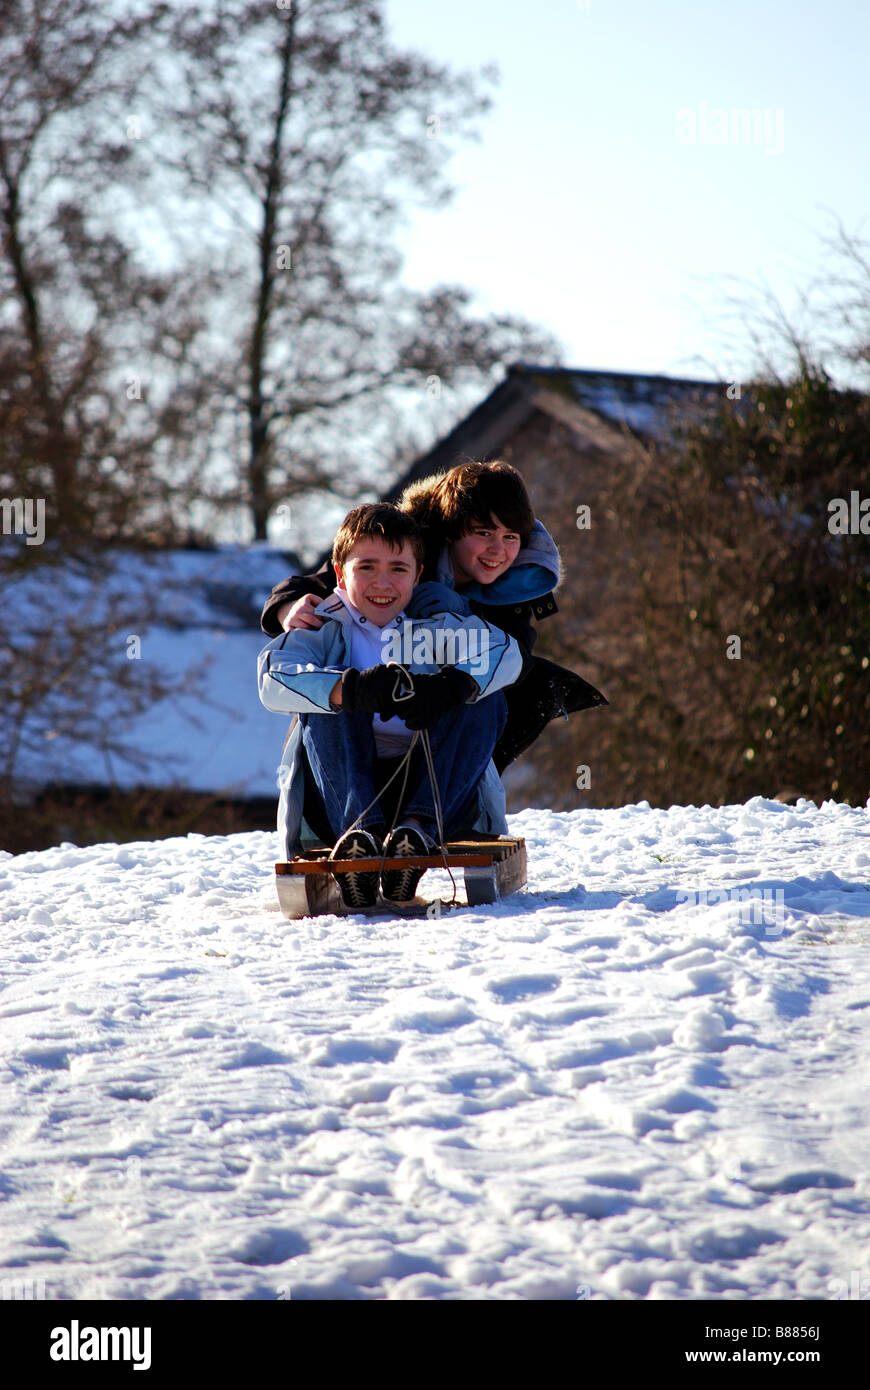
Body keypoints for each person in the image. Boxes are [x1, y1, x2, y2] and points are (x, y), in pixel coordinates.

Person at [260, 460, 607, 772]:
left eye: (510, 537)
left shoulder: (515, 588)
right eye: (483, 533)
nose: (498, 551)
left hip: (437, 705)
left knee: (528, 685)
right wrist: (288, 605)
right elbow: (332, 578)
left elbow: (508, 662)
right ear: (452, 530)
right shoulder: (403, 549)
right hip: (369, 694)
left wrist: (450, 687)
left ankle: (460, 788)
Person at [258, 503, 523, 908]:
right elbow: (273, 678)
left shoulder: (436, 622)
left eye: (398, 569)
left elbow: (506, 653)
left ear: (418, 575)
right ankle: (359, 839)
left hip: (432, 790)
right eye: (366, 567)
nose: (382, 583)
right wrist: (349, 689)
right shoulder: (322, 623)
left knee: (485, 699)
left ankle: (411, 838)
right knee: (324, 703)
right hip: (342, 794)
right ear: (339, 571)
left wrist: (450, 686)